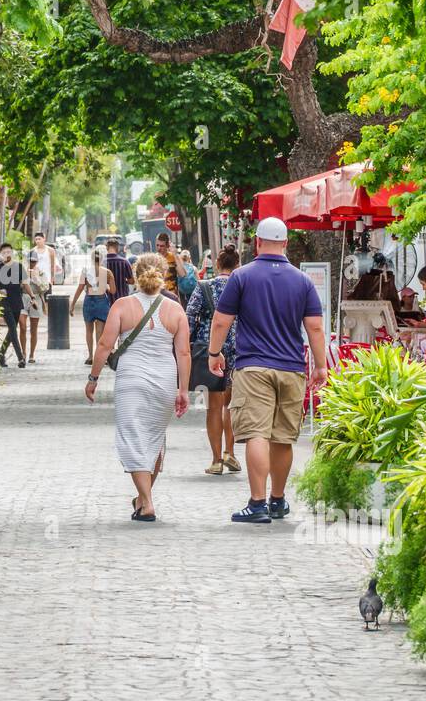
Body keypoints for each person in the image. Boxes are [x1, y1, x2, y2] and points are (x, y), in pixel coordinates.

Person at [207, 217, 327, 524]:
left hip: (254, 367)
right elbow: (314, 327)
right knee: (283, 437)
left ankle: (257, 504)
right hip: (291, 368)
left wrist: (214, 353)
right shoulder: (302, 281)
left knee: (257, 434)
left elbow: (222, 320)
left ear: (257, 242)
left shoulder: (242, 277)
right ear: (286, 243)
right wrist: (321, 366)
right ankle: (278, 499)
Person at [86, 253, 191, 522]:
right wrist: (183, 390)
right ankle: (144, 499)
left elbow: (104, 346)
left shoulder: (122, 306)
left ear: (135, 274)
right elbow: (184, 354)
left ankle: (147, 501)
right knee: (154, 440)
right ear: (164, 274)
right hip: (165, 382)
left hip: (131, 381)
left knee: (133, 437)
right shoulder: (176, 309)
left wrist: (94, 378)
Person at [187, 246, 240, 475]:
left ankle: (217, 460)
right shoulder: (243, 285)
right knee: (232, 405)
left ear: (217, 265)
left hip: (212, 351)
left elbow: (190, 317)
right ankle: (231, 453)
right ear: (237, 266)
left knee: (214, 407)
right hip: (238, 351)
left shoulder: (203, 286)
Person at [70, 246, 117, 365]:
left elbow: (80, 288)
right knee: (100, 332)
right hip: (101, 301)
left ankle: (90, 356)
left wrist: (72, 304)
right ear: (101, 259)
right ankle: (99, 356)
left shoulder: (85, 271)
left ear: (91, 259)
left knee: (88, 330)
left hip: (89, 301)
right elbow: (113, 291)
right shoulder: (107, 272)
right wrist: (105, 286)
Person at [0, 243, 31, 367]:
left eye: (9, 251)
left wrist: (32, 296)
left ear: (12, 253)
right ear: (1, 254)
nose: (7, 254)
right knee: (13, 328)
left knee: (11, 331)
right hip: (4, 302)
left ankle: (1, 354)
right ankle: (21, 358)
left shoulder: (18, 267)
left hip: (17, 301)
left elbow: (25, 283)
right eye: (4, 252)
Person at [22, 248, 50, 364]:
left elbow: (45, 288)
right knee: (22, 327)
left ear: (37, 262)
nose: (32, 263)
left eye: (34, 261)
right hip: (23, 298)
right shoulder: (22, 271)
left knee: (34, 329)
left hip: (36, 299)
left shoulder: (41, 272)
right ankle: (22, 353)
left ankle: (32, 354)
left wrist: (36, 278)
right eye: (30, 261)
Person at [103, 237, 134, 304]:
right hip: (122, 299)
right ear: (117, 248)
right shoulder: (125, 262)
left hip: (106, 300)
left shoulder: (101, 263)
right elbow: (131, 281)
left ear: (107, 248)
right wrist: (122, 281)